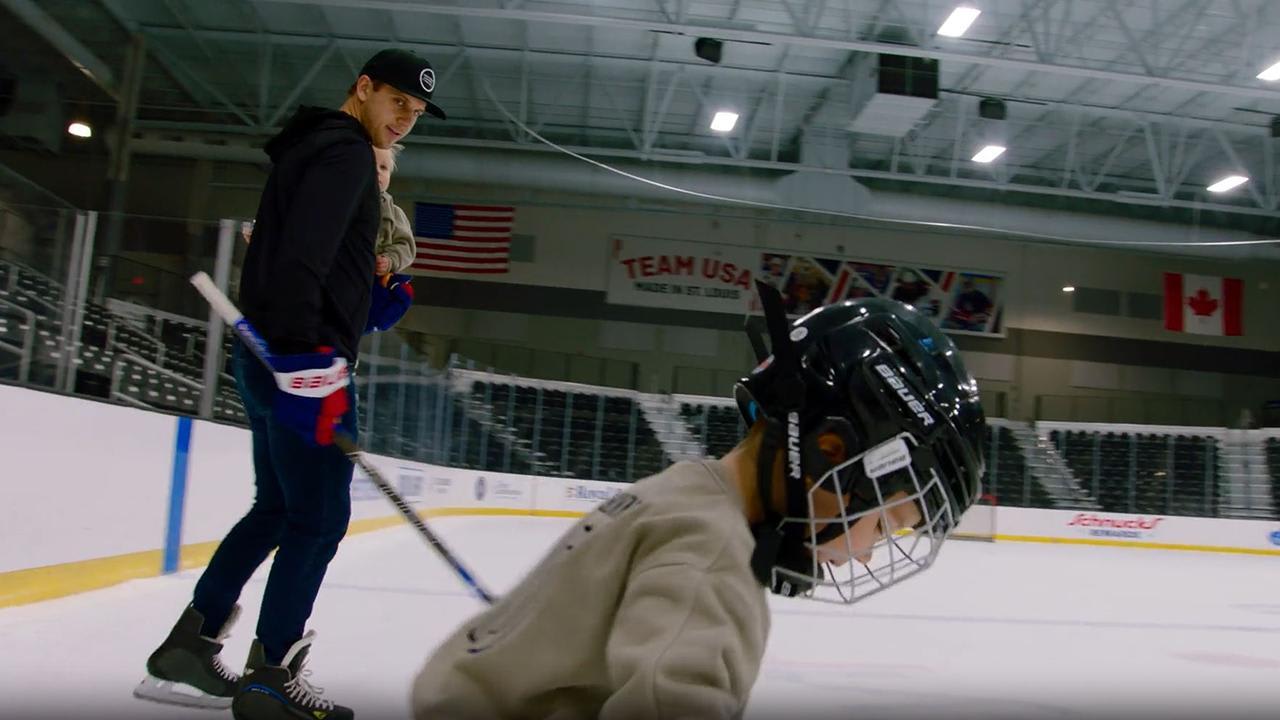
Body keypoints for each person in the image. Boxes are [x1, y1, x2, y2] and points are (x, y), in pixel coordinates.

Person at [411, 282, 986, 719]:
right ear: (832, 448)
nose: (867, 553)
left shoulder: (682, 493)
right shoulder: (715, 563)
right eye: (886, 524)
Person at [133, 48, 447, 720]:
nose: (404, 121)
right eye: (397, 103)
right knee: (320, 517)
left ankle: (190, 645)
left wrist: (351, 310)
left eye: (415, 113)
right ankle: (273, 674)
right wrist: (310, 359)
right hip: (301, 359)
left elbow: (309, 260)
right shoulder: (344, 155)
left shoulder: (314, 147)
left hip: (272, 351)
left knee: (277, 507)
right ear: (363, 88)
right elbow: (303, 256)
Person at [373, 143, 416, 275]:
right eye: (371, 164)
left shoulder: (395, 213)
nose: (377, 171)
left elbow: (406, 246)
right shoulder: (342, 204)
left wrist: (390, 260)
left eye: (383, 167)